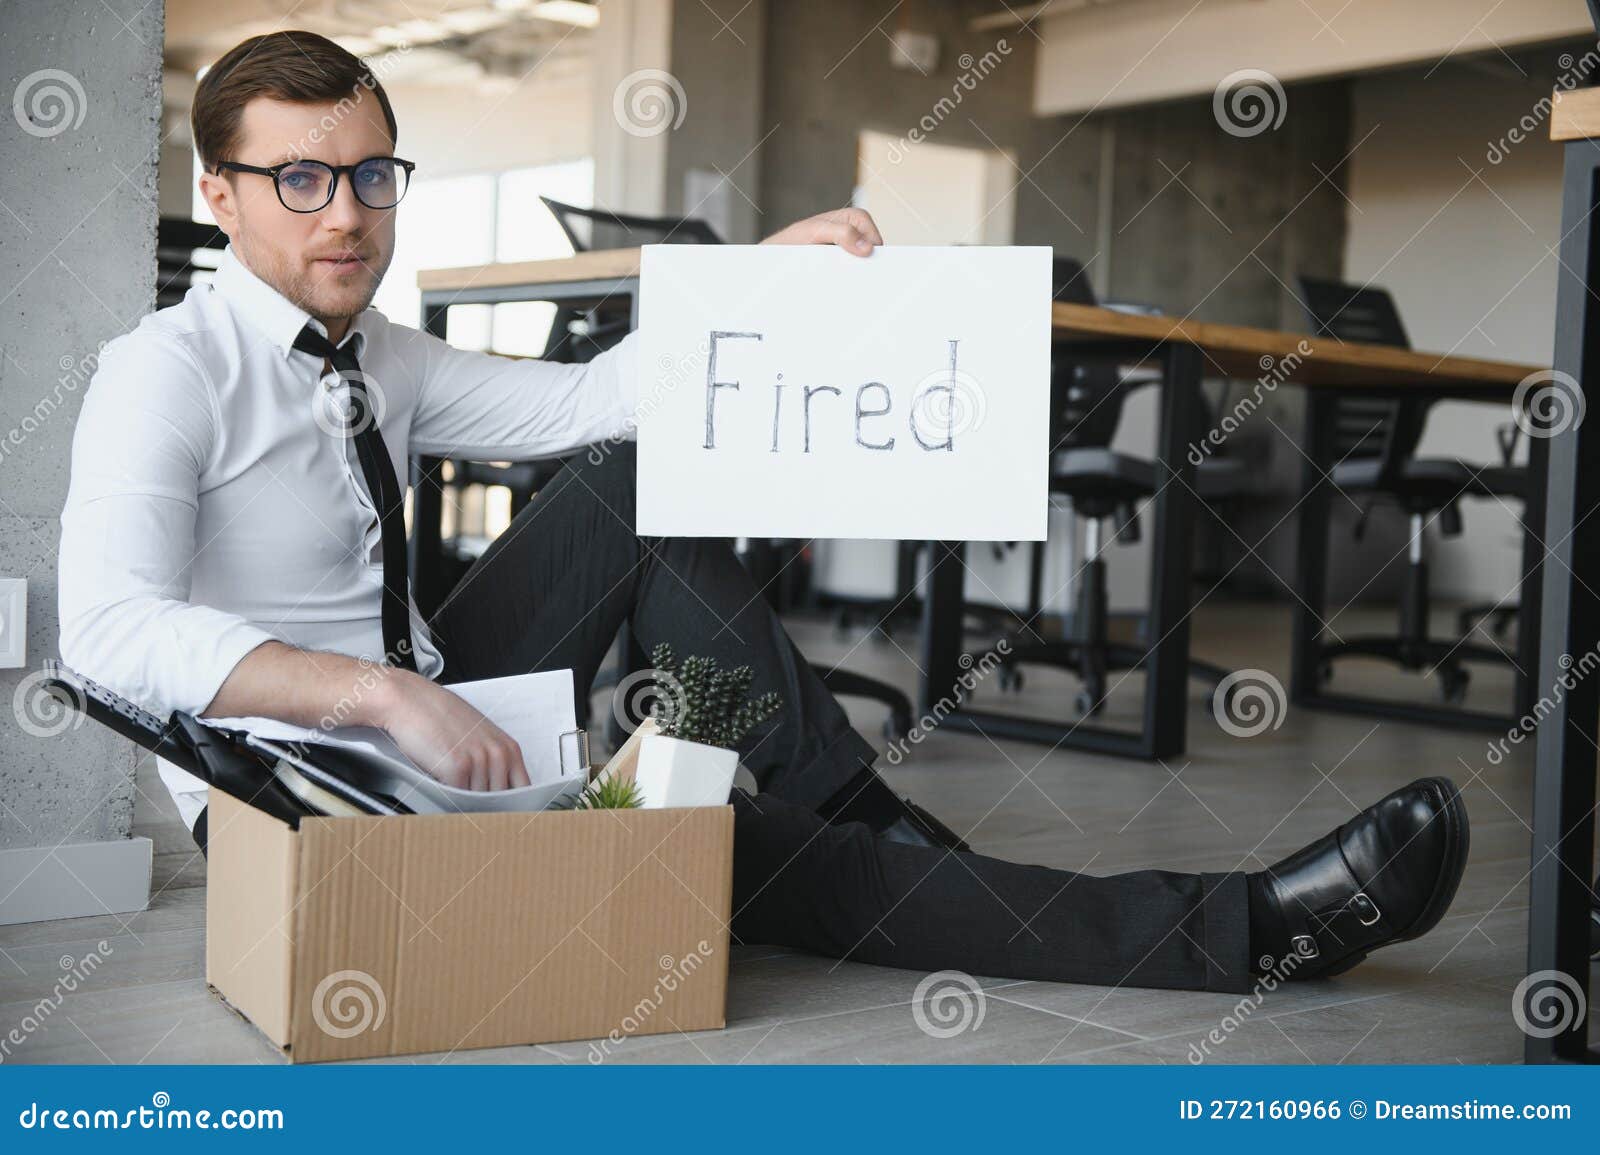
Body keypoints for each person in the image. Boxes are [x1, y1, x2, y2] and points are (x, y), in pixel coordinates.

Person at [58, 30, 1469, 995]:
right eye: (301, 179)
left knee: (638, 482)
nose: (347, 212)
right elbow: (110, 631)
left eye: (372, 173)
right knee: (746, 858)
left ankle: (856, 809)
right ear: (218, 193)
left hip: (429, 715)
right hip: (309, 789)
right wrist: (378, 699)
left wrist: (763, 278)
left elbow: (594, 406)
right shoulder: (164, 375)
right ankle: (1245, 930)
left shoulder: (386, 352)